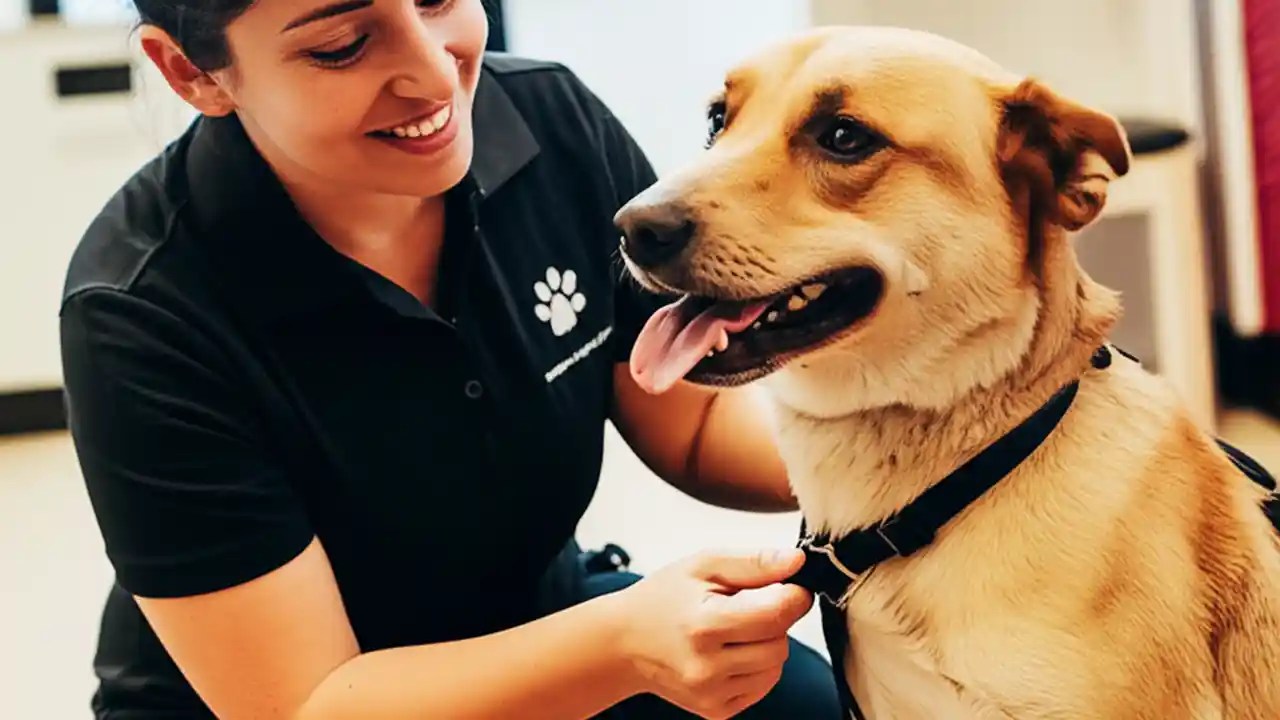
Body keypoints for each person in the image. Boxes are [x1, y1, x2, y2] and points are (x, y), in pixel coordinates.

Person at [58, 0, 843, 718]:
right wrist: (623, 645)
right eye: (343, 45)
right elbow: (308, 702)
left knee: (805, 702)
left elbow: (693, 423)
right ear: (192, 73)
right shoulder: (142, 311)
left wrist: (900, 452)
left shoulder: (548, 121)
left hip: (539, 624)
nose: (436, 73)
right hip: (328, 697)